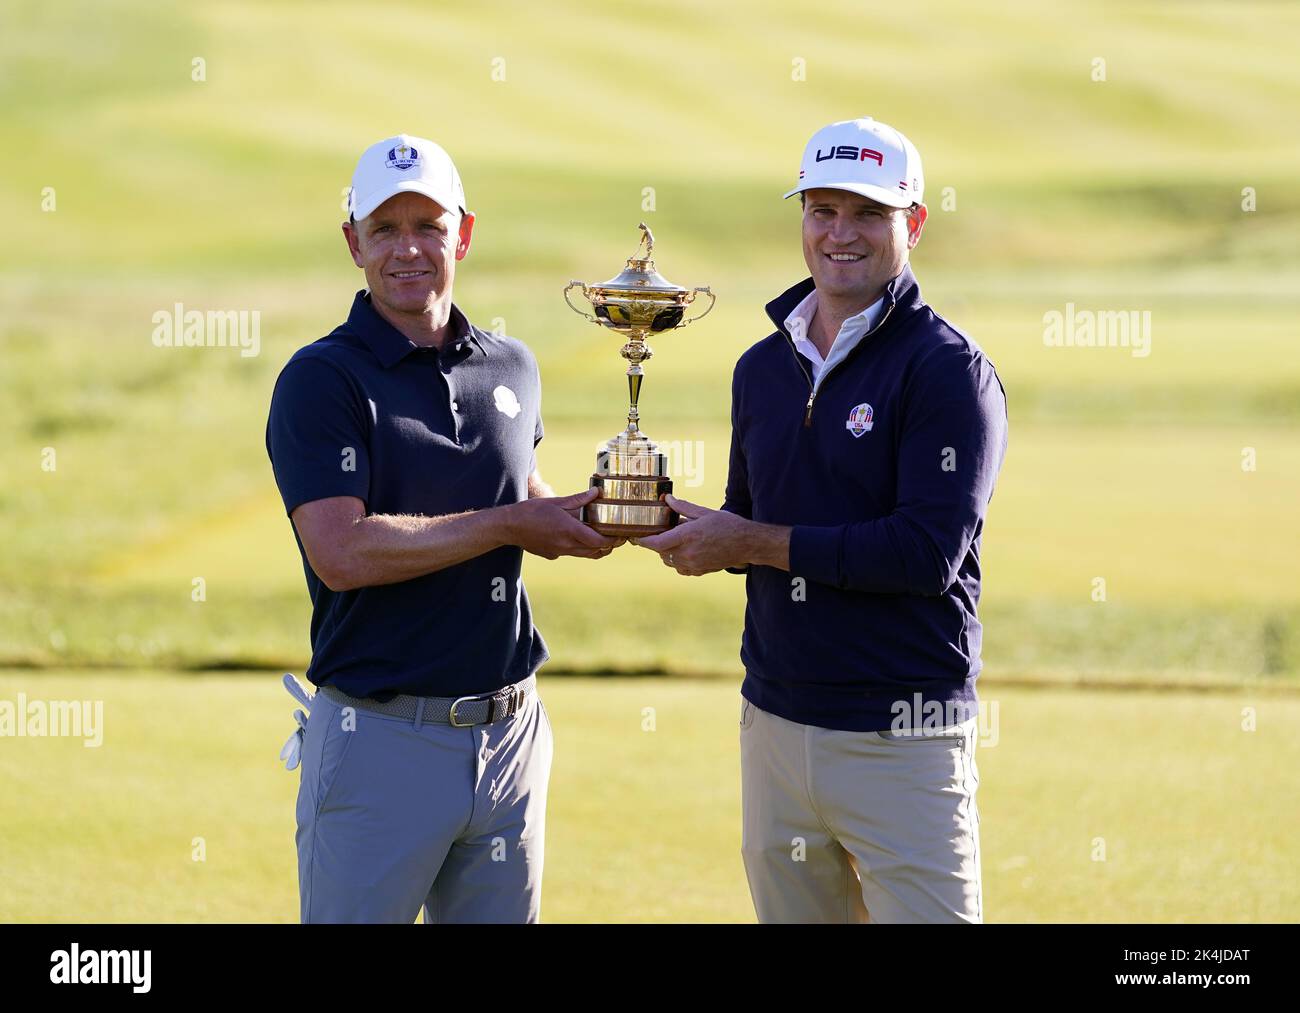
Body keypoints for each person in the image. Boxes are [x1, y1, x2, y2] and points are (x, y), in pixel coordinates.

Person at [638, 117, 1008, 923]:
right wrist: (675, 522)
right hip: (774, 724)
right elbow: (751, 523)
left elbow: (924, 553)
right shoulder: (762, 367)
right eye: (822, 210)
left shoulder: (948, 370)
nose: (840, 234)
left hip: (901, 735)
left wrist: (751, 541)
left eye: (867, 214)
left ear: (911, 223)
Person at [265, 133, 620, 924]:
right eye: (384, 229)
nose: (408, 250)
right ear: (352, 242)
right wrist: (510, 521)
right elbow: (342, 551)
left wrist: (608, 512)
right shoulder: (320, 379)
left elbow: (527, 499)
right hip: (381, 740)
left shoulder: (512, 367)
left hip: (510, 735)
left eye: (427, 225)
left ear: (462, 233)